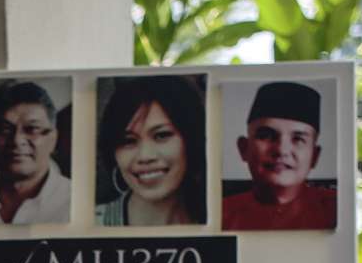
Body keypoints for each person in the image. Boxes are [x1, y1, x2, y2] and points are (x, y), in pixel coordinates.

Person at [222, 81, 336, 230]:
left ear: (315, 156)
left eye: (298, 139)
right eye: (266, 136)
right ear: (244, 148)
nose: (281, 150)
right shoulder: (222, 212)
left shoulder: (335, 209)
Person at [95, 76, 206, 226]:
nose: (145, 156)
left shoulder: (220, 221)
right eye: (128, 141)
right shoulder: (91, 224)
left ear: (191, 140)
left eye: (162, 135)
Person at [0, 80, 71, 225]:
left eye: (32, 129)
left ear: (53, 138)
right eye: (4, 130)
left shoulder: (76, 204)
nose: (17, 140)